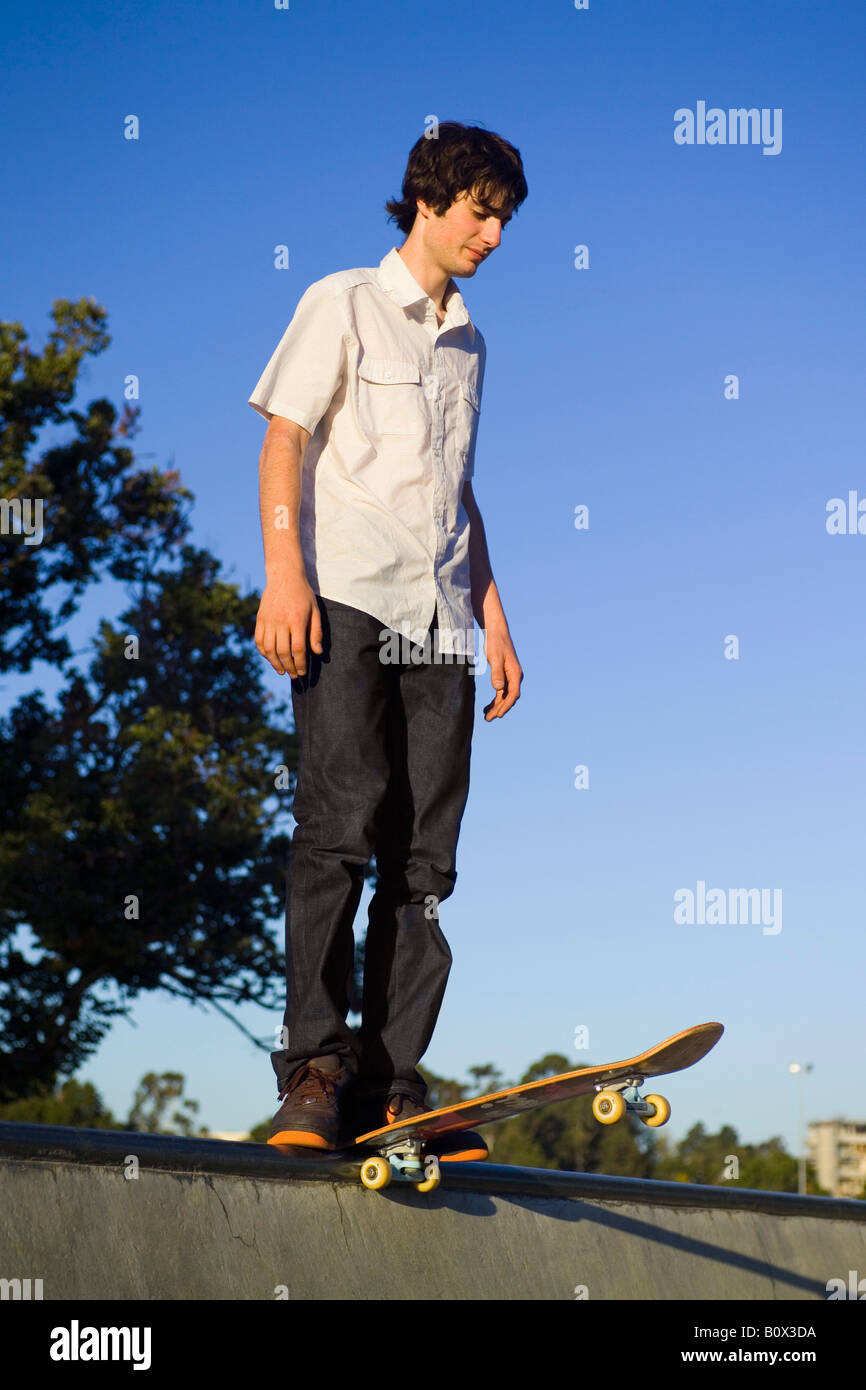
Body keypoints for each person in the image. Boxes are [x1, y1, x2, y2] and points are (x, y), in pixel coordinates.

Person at [248, 121, 527, 1160]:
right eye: (478, 212)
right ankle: (314, 1074)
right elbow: (284, 434)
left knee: (424, 865)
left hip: (441, 618)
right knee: (337, 830)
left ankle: (390, 1086)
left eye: (504, 219)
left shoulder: (469, 341)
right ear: (426, 200)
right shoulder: (342, 301)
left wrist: (492, 614)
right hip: (348, 593)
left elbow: (457, 487)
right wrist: (285, 574)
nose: (491, 235)